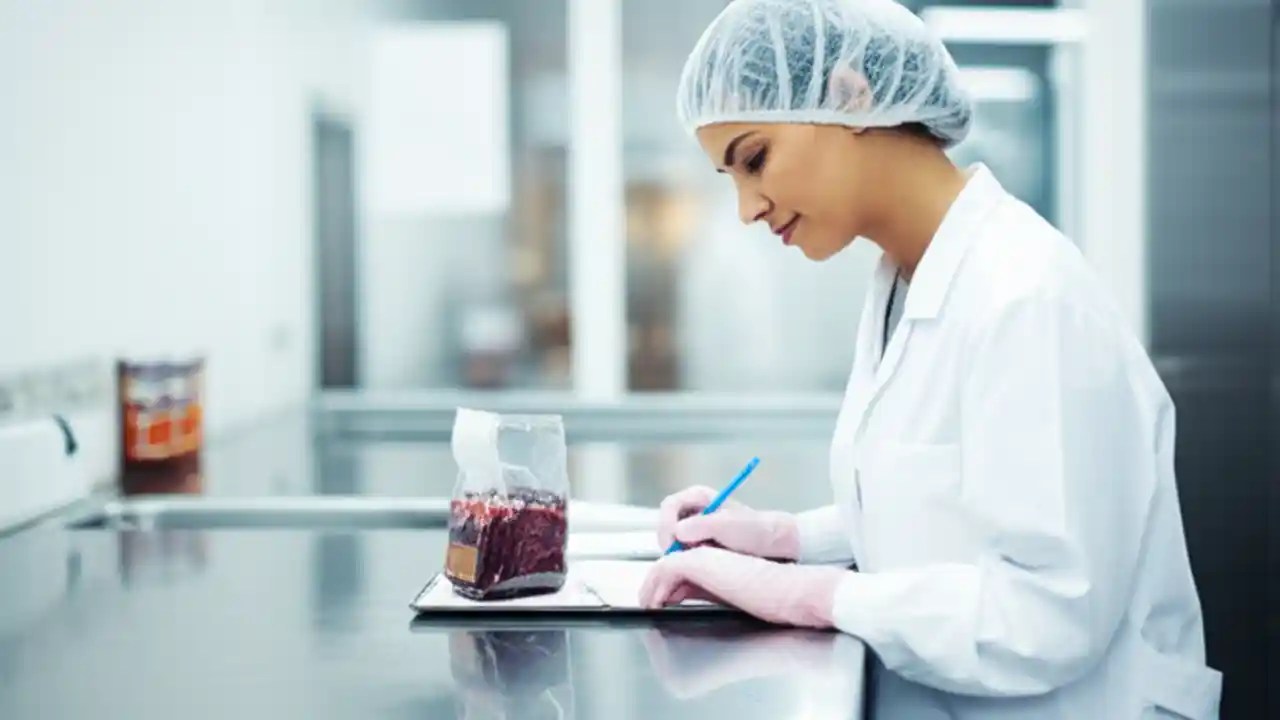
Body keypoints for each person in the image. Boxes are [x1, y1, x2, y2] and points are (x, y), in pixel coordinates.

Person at [639, 1, 1223, 717]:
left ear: (852, 95)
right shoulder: (908, 279)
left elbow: (1045, 615)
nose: (747, 209)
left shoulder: (1025, 296)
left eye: (754, 160)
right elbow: (948, 509)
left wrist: (809, 596)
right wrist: (790, 540)